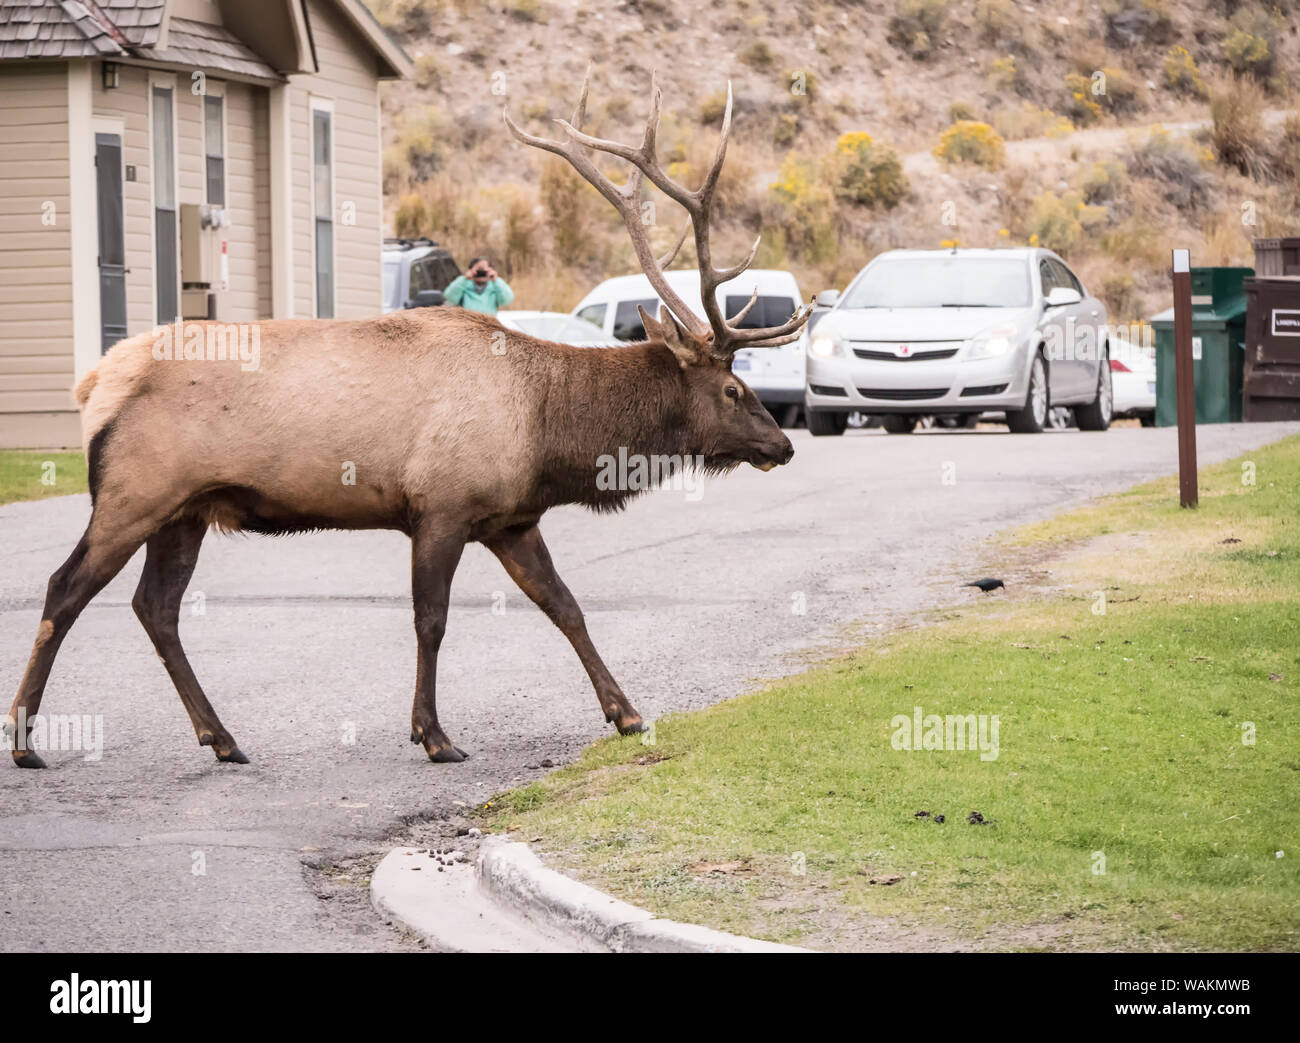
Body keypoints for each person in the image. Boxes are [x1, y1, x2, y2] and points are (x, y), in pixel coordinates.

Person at [444, 257, 514, 315]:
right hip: (468, 326)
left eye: (484, 271)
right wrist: (464, 279)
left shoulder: (495, 285)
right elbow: (449, 297)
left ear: (490, 270)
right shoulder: (464, 284)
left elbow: (507, 300)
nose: (481, 274)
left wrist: (496, 281)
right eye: (478, 271)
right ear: (470, 270)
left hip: (489, 325)